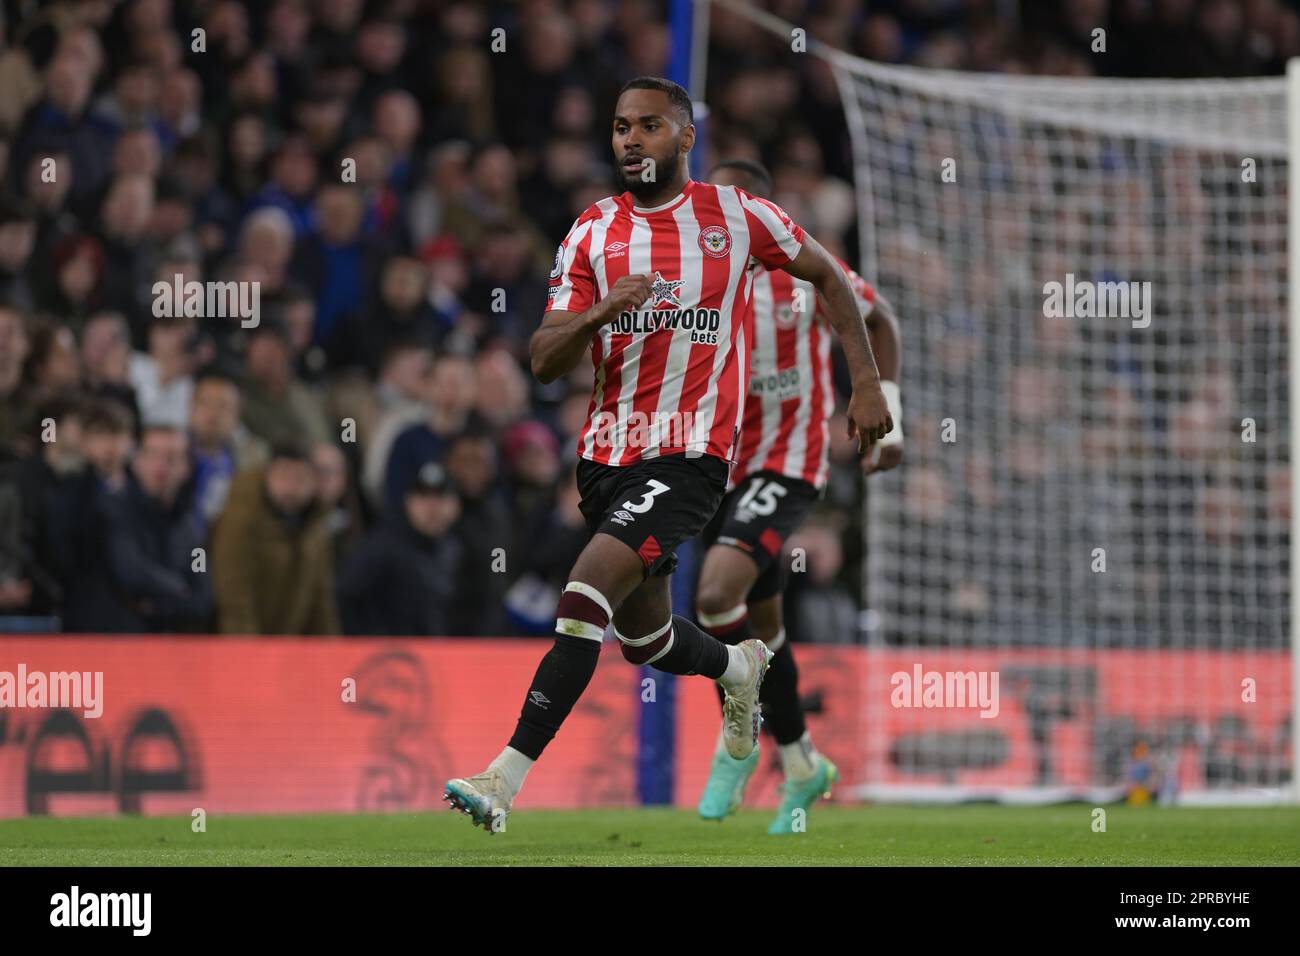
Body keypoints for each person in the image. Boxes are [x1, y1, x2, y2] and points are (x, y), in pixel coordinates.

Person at [443, 77, 893, 831]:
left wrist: (869, 384)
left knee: (583, 596)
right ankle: (739, 665)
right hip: (604, 458)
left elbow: (828, 277)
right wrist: (602, 310)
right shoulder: (590, 231)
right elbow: (544, 358)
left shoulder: (738, 217)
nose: (629, 139)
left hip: (690, 459)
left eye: (649, 126)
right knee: (642, 639)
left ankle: (502, 780)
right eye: (621, 127)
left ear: (686, 139)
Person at [694, 156, 905, 833]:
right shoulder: (696, 283)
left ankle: (738, 732)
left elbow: (882, 319)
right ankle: (803, 762)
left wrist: (884, 409)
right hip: (715, 469)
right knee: (765, 630)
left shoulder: (802, 272)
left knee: (714, 594)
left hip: (788, 462)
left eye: (727, 205)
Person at [210, 441, 339, 635]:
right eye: (283, 476)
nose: (291, 488)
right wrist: (247, 660)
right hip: (243, 649)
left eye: (300, 478)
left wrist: (332, 659)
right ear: (267, 475)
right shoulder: (240, 520)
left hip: (284, 650)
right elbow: (235, 603)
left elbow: (321, 605)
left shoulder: (315, 529)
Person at [336, 460, 462, 635]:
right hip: (389, 657)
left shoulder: (452, 549)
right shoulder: (381, 546)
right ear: (408, 502)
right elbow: (346, 595)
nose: (432, 508)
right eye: (424, 498)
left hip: (434, 655)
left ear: (456, 506)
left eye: (441, 498)